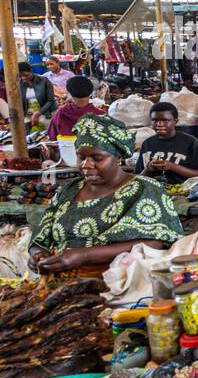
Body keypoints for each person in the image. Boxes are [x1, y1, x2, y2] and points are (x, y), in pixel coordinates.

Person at [29, 115, 182, 276]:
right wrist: (37, 254)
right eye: (81, 156)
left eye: (97, 158)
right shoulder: (67, 191)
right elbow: (41, 236)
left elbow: (154, 242)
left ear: (118, 158)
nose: (86, 165)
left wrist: (85, 255)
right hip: (60, 287)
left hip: (119, 285)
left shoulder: (144, 189)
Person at [135, 102, 198, 186]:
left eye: (165, 120)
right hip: (152, 192)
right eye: (155, 120)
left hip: (183, 193)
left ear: (175, 121)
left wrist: (172, 166)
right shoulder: (147, 143)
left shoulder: (190, 142)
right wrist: (148, 169)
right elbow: (137, 177)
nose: (159, 124)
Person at [46, 75, 105, 140]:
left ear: (69, 93)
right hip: (92, 149)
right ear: (90, 92)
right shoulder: (101, 115)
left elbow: (52, 136)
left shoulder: (61, 112)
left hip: (66, 148)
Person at [15, 62, 56, 128]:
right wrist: (26, 111)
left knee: (47, 134)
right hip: (29, 114)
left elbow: (50, 100)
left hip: (46, 113)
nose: (23, 78)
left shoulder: (44, 81)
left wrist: (38, 113)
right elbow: (19, 102)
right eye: (20, 76)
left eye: (26, 75)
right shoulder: (20, 84)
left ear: (31, 71)